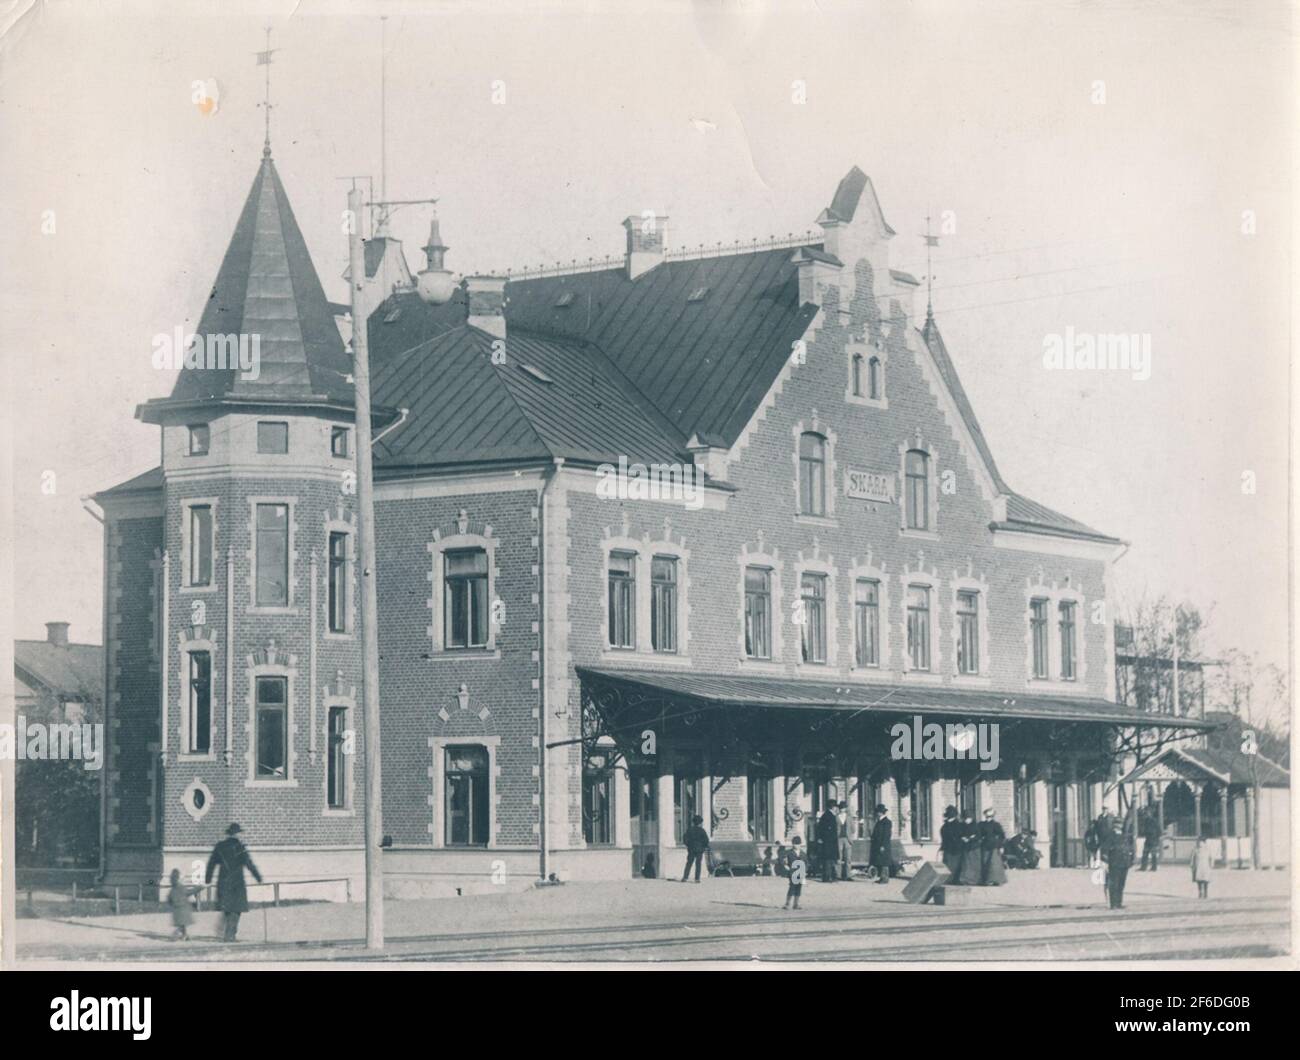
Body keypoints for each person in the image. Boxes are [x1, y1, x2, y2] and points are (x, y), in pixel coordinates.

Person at [205, 822, 263, 941]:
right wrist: (258, 877)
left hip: (224, 882)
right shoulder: (240, 847)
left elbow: (211, 864)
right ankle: (229, 935)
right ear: (237, 834)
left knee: (228, 908)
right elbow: (249, 864)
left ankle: (230, 934)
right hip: (237, 883)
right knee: (236, 910)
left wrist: (208, 879)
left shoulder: (220, 846)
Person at [1099, 818, 1134, 910]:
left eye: (1120, 824)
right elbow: (1105, 849)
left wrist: (1130, 860)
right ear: (1114, 825)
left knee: (1121, 884)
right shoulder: (1110, 836)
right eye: (1117, 824)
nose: (1119, 826)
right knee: (1114, 883)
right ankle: (1113, 903)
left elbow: (1128, 848)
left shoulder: (1124, 836)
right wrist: (1105, 862)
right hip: (1114, 862)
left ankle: (1119, 902)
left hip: (1124, 863)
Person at [166, 867, 198, 941]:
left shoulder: (172, 889)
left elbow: (169, 899)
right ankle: (174, 936)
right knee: (182, 925)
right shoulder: (181, 887)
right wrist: (198, 888)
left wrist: (171, 904)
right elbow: (189, 892)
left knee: (182, 924)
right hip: (183, 909)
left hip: (176, 910)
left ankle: (185, 936)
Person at [977, 808, 1007, 886]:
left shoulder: (996, 825)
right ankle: (985, 880)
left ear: (993, 816)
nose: (989, 818)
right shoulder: (981, 824)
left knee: (994, 864)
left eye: (990, 816)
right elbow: (978, 834)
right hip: (984, 846)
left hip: (994, 846)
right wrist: (980, 839)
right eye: (987, 816)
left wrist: (1000, 845)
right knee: (984, 862)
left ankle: (995, 880)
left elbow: (1002, 836)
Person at [681, 814, 710, 883]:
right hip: (699, 849)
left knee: (689, 863)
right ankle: (697, 879)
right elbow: (706, 840)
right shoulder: (702, 830)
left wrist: (688, 845)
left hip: (691, 849)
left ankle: (685, 877)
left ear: (693, 822)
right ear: (700, 823)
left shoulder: (690, 830)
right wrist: (703, 847)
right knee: (698, 864)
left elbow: (685, 839)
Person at [956, 810, 982, 885]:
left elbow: (978, 836)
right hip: (966, 847)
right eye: (966, 819)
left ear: (971, 818)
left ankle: (974, 880)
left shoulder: (975, 826)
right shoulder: (962, 826)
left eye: (968, 818)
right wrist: (962, 837)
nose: (967, 820)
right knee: (966, 864)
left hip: (974, 848)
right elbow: (959, 834)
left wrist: (971, 838)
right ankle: (964, 879)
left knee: (974, 864)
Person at [816, 802, 839, 883]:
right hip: (829, 842)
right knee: (828, 860)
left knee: (830, 860)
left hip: (829, 842)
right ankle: (827, 877)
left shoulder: (827, 815)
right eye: (836, 807)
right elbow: (825, 829)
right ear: (833, 807)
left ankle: (831, 876)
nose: (837, 808)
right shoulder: (829, 816)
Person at [869, 804, 892, 884]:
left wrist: (883, 845)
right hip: (877, 844)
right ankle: (881, 877)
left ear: (881, 813)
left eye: (878, 812)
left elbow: (886, 835)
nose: (877, 814)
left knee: (884, 862)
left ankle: (885, 878)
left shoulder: (887, 822)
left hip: (883, 845)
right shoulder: (879, 821)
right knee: (880, 861)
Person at [939, 805, 962, 879]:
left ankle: (952, 878)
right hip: (949, 848)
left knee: (953, 864)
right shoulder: (946, 826)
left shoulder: (956, 825)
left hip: (955, 848)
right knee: (949, 863)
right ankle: (949, 878)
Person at [783, 837, 806, 910]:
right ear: (792, 844)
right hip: (792, 873)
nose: (796, 845)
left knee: (799, 888)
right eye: (795, 844)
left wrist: (805, 871)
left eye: (798, 844)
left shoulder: (803, 853)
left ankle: (796, 904)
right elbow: (784, 861)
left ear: (800, 844)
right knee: (792, 887)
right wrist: (786, 867)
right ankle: (787, 903)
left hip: (801, 873)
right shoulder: (789, 853)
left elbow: (806, 863)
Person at [1138, 807, 1162, 872]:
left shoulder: (1153, 821)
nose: (1146, 814)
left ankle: (1153, 867)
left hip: (1152, 839)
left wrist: (1155, 837)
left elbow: (1158, 831)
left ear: (1150, 813)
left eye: (1147, 813)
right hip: (1149, 839)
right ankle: (1144, 867)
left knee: (1152, 854)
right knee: (1145, 853)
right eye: (1146, 813)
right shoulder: (1146, 821)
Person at [837, 802, 854, 881]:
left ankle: (848, 875)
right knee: (839, 857)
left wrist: (850, 836)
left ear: (846, 808)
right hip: (839, 838)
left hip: (847, 839)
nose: (842, 809)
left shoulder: (849, 817)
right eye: (841, 808)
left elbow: (853, 829)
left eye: (843, 808)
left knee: (848, 857)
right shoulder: (836, 817)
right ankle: (838, 875)